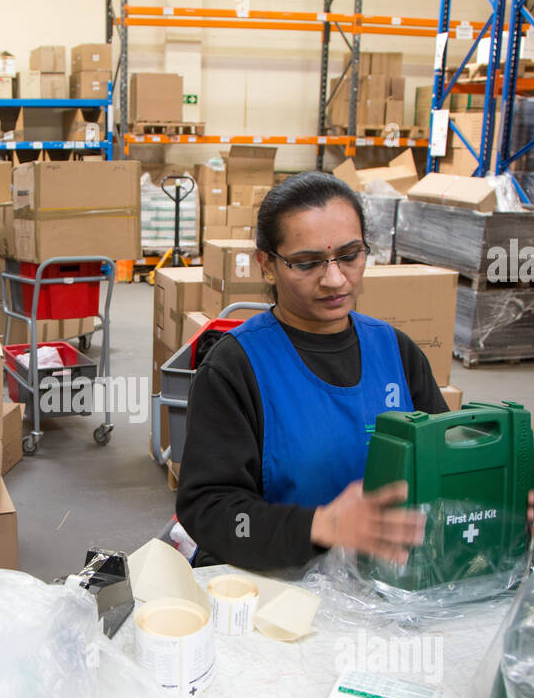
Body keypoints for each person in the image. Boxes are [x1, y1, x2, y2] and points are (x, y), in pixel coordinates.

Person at [175, 171, 451, 572]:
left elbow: (440, 462)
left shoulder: (396, 351)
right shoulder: (235, 367)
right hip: (274, 590)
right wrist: (320, 526)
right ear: (267, 265)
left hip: (381, 584)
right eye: (307, 263)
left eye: (351, 255)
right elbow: (210, 512)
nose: (335, 279)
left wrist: (488, 489)